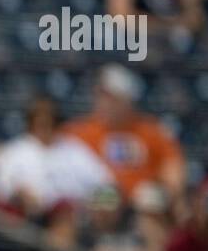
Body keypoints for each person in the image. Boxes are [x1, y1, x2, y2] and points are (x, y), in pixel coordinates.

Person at [63, 64, 186, 209]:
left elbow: (173, 169)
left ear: (128, 101)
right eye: (101, 96)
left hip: (141, 206)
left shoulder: (152, 132)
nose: (104, 103)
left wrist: (165, 194)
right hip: (96, 204)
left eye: (112, 99)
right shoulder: (78, 132)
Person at [0, 96, 113, 217]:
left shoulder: (74, 149)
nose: (44, 126)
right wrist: (19, 193)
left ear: (56, 121)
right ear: (30, 122)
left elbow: (107, 187)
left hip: (75, 218)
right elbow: (1, 189)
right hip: (27, 221)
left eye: (49, 120)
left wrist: (88, 204)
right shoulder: (14, 152)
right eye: (39, 121)